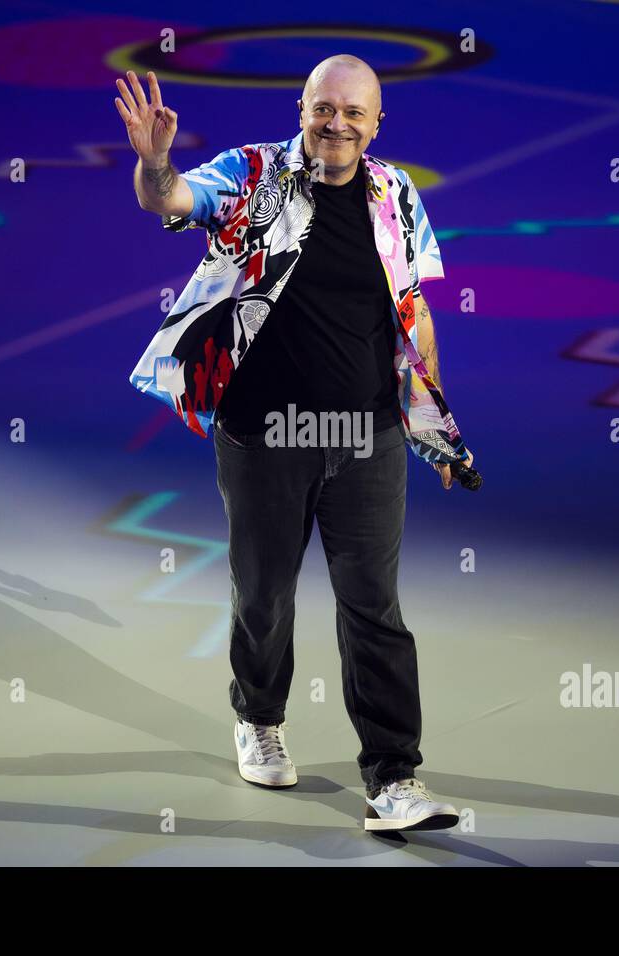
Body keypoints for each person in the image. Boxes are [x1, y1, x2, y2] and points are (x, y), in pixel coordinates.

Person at [117, 54, 476, 832]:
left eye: (353, 113)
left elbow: (413, 311)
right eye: (324, 109)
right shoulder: (251, 175)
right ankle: (258, 716)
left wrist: (433, 427)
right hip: (264, 433)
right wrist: (154, 162)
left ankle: (394, 777)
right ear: (302, 110)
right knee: (264, 592)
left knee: (374, 605)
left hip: (367, 434)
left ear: (376, 124)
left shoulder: (395, 193)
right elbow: (169, 199)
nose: (336, 124)